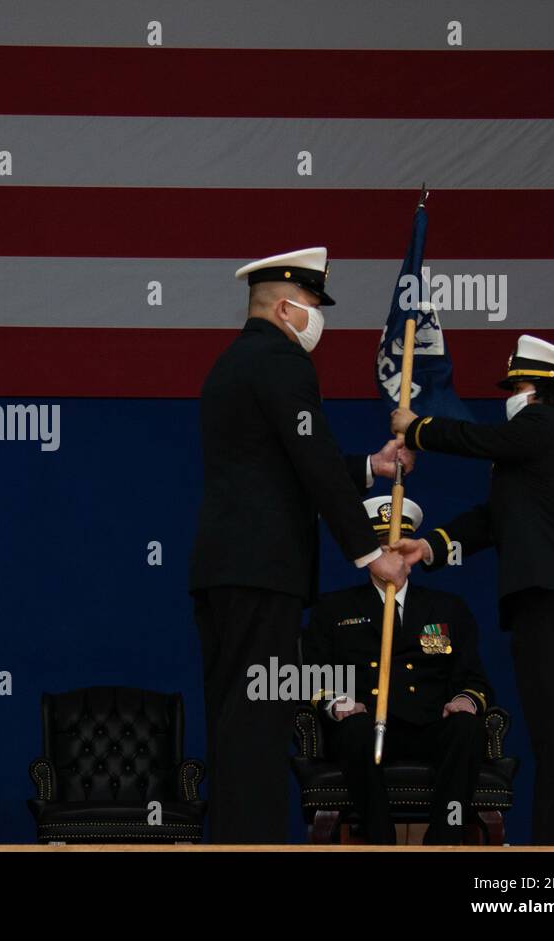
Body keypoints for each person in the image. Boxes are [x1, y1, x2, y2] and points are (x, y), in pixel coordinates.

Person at [188, 247, 412, 843]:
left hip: (224, 571)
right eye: (314, 303)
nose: (319, 316)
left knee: (235, 723)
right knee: (260, 725)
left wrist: (369, 465)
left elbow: (281, 465)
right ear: (287, 306)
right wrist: (371, 553)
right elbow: (310, 463)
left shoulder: (231, 363)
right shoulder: (284, 362)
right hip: (264, 573)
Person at [390, 335, 554, 845]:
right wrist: (429, 546)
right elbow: (494, 520)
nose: (511, 396)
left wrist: (419, 428)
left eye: (518, 386)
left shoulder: (548, 426)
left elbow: (481, 442)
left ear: (546, 391)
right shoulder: (537, 449)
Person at [302, 497, 492, 844]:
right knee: (354, 731)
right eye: (382, 550)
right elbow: (312, 674)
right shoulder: (334, 608)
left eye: (400, 550)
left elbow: (473, 679)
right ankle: (380, 842)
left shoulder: (447, 607)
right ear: (367, 556)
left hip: (429, 724)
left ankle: (444, 841)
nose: (394, 560)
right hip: (365, 724)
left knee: (467, 729)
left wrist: (465, 700)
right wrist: (335, 703)